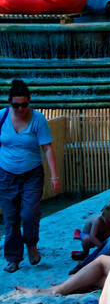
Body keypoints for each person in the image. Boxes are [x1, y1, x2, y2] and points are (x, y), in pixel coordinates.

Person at [1, 79, 60, 272]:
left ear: (29, 102)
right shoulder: (1, 117)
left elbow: (47, 148)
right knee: (10, 218)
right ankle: (13, 258)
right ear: (10, 102)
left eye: (24, 105)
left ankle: (31, 245)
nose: (20, 109)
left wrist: (54, 176)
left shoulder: (38, 119)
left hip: (32, 175)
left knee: (29, 213)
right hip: (6, 174)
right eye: (16, 105)